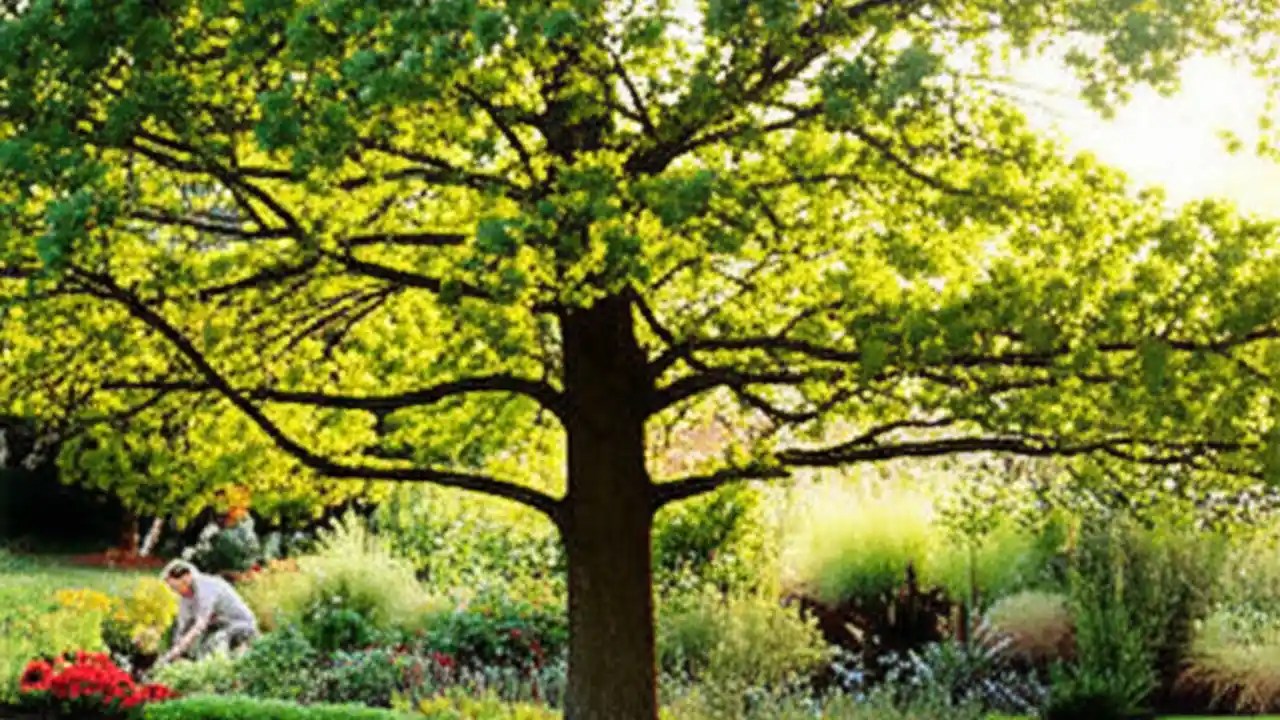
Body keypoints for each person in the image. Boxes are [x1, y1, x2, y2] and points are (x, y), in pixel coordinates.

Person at [154, 559, 259, 666]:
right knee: (198, 649)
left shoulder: (206, 587)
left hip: (241, 626)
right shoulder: (185, 596)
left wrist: (177, 650)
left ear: (186, 578)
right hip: (221, 626)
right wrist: (173, 652)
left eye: (175, 587)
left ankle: (225, 669)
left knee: (214, 644)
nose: (174, 591)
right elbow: (182, 626)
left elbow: (200, 625)